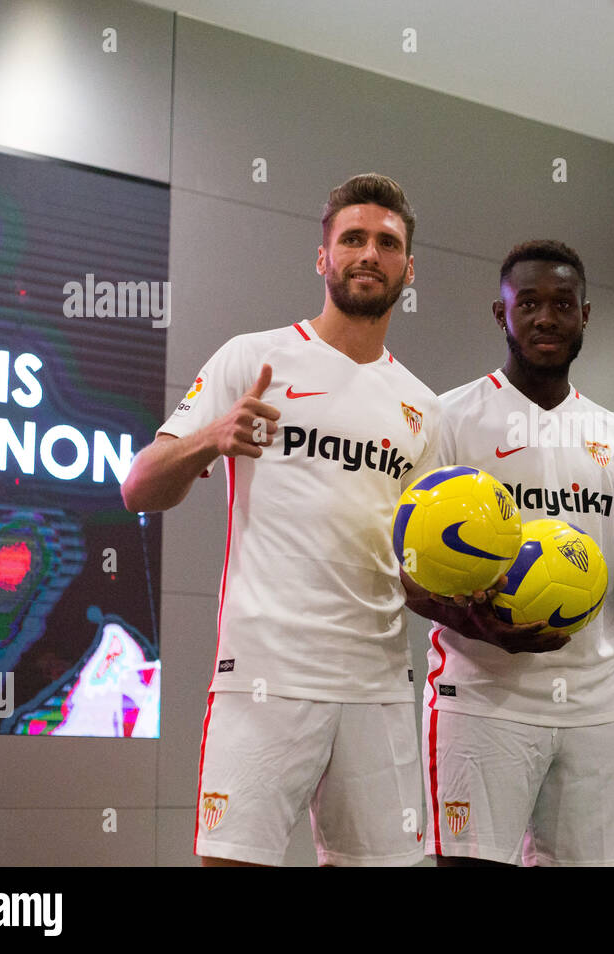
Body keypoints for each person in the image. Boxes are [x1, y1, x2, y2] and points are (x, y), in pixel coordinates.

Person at [121, 174, 440, 866]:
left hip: (379, 688)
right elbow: (139, 487)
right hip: (265, 676)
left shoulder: (424, 409)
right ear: (322, 257)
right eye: (351, 238)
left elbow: (421, 564)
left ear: (408, 269)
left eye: (387, 243)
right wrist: (212, 437)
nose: (368, 253)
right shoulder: (252, 358)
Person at [403, 239, 614, 866]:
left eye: (563, 304)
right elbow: (402, 569)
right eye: (528, 302)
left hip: (596, 709)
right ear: (499, 313)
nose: (545, 317)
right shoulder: (448, 419)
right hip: (482, 700)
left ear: (585, 316)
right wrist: (478, 624)